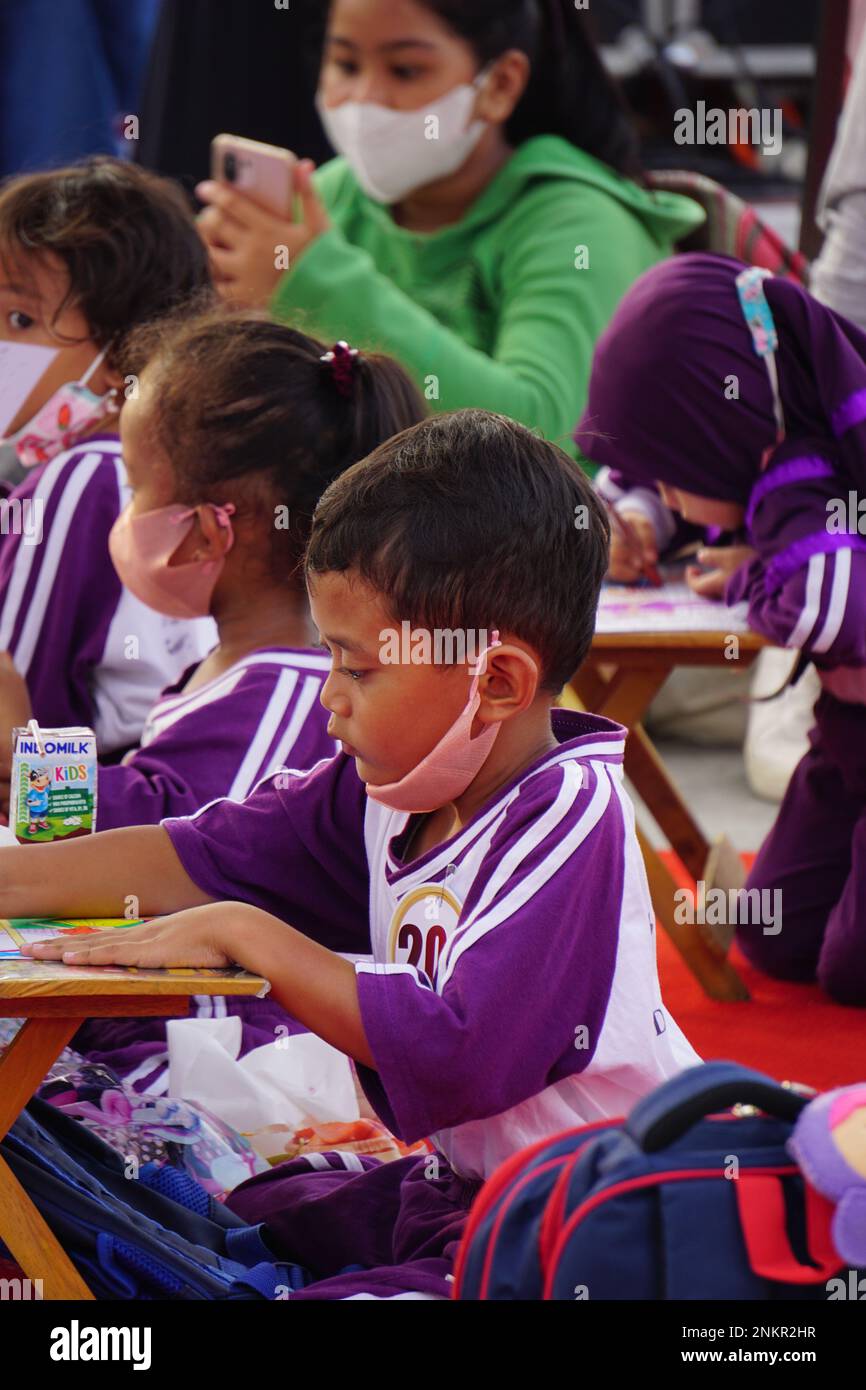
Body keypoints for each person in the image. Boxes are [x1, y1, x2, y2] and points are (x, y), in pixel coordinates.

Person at [16, 409, 699, 1298]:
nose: (329, 698)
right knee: (258, 1209)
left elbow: (460, 1054)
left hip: (598, 1222)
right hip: (474, 1191)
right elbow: (194, 857)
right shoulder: (391, 790)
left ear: (496, 682)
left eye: (357, 668)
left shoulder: (568, 813)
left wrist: (249, 934)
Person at [194, 0, 704, 459]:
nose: (364, 99)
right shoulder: (331, 198)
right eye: (346, 64)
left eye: (405, 70)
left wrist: (314, 285)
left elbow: (538, 438)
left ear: (499, 84)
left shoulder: (581, 223)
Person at [575, 252, 866, 1005]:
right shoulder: (759, 440)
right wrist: (637, 517)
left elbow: (830, 606)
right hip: (847, 736)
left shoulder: (801, 481)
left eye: (672, 481)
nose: (667, 495)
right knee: (776, 937)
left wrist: (748, 574)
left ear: (726, 439)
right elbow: (646, 475)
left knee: (851, 969)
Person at [0, 157, 214, 756]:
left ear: (123, 358)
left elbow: (15, 710)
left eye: (19, 318)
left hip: (79, 794)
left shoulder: (85, 477)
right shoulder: (160, 472)